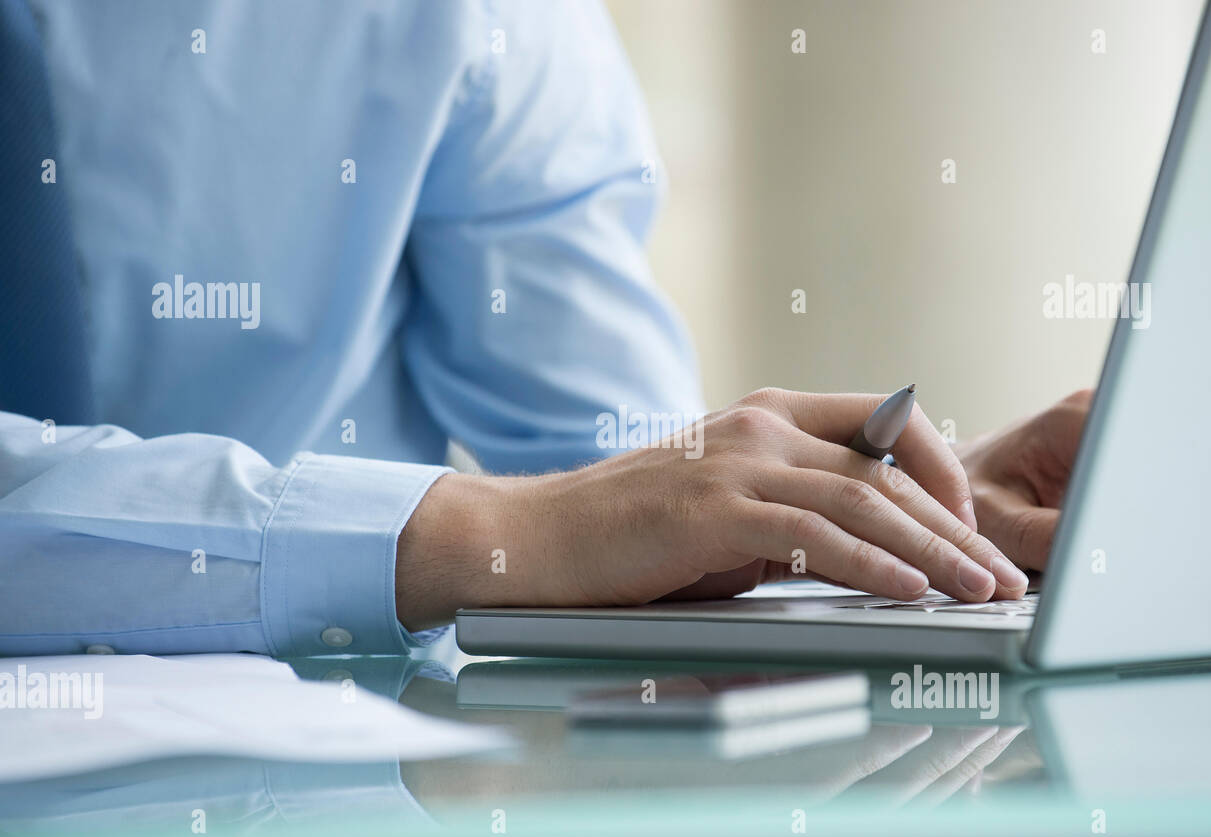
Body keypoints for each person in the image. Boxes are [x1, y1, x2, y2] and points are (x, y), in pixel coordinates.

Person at [0, 0, 1088, 657]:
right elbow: (553, 528)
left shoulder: (480, 19)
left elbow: (617, 502)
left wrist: (869, 508)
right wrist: (466, 536)